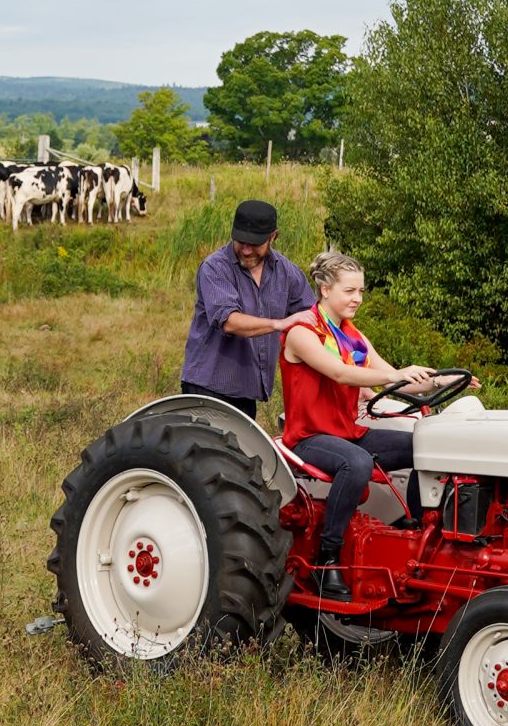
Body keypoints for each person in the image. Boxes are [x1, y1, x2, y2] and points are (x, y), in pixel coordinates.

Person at [280, 248, 454, 602]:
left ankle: (416, 531)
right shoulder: (302, 332)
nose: (357, 298)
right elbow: (340, 372)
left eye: (361, 291)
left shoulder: (352, 336)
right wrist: (394, 374)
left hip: (348, 432)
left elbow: (398, 381)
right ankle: (329, 558)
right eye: (350, 291)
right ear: (325, 289)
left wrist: (440, 380)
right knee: (355, 462)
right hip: (309, 437)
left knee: (425, 445)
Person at [178, 197, 315, 418]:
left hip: (246, 393)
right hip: (207, 389)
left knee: (239, 453)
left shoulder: (287, 272)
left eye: (255, 244)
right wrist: (279, 323)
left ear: (273, 237)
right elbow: (229, 321)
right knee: (208, 453)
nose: (247, 251)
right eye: (241, 241)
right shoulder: (215, 268)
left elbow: (314, 317)